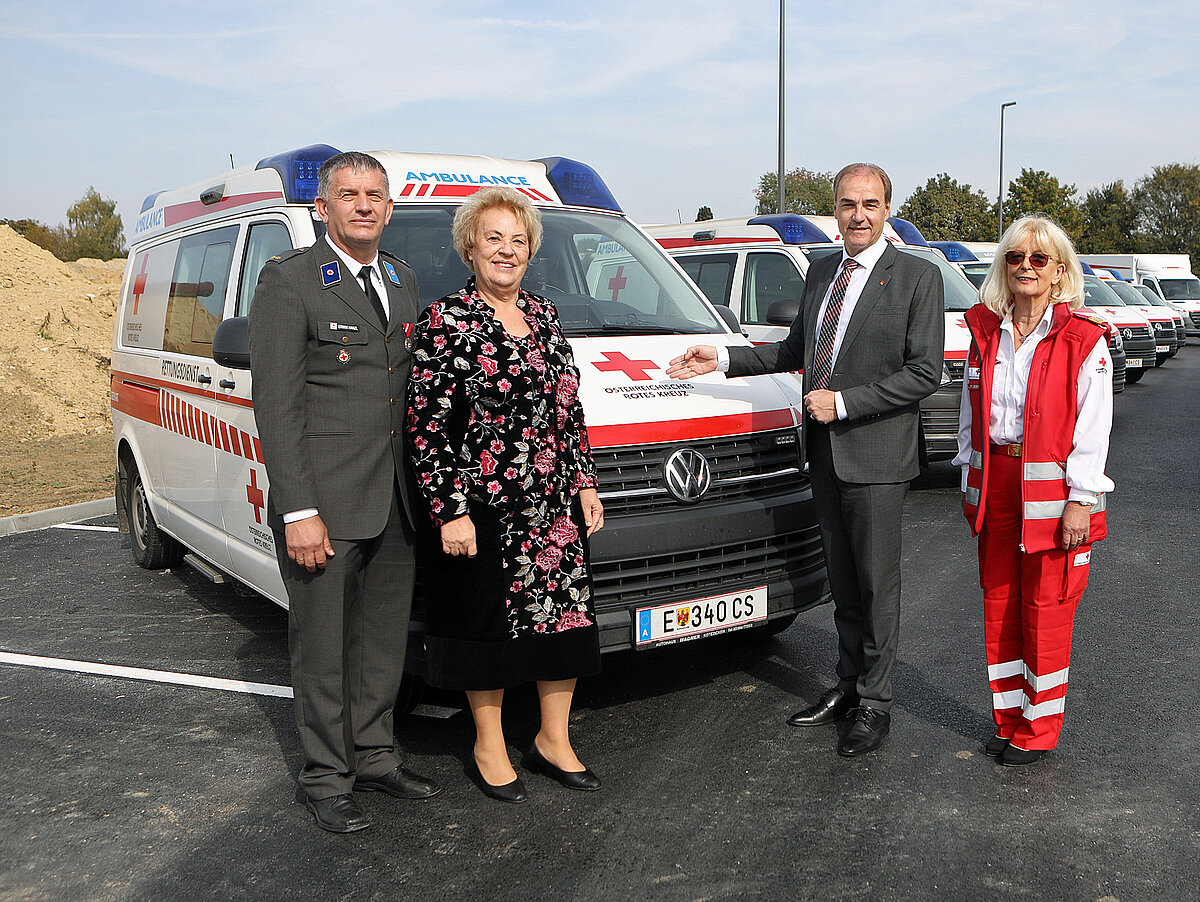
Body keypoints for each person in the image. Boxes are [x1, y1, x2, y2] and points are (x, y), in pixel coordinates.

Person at [667, 163, 944, 757]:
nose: (858, 215)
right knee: (843, 582)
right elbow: (795, 350)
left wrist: (843, 403)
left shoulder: (917, 275)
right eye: (848, 204)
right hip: (821, 454)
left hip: (876, 457)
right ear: (835, 209)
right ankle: (847, 685)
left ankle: (876, 702)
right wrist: (721, 359)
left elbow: (925, 372)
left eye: (870, 204)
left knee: (876, 585)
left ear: (887, 209)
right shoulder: (822, 270)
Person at [249, 151, 440, 833]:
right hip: (324, 503)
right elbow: (277, 406)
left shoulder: (402, 279)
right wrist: (299, 509)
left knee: (382, 642)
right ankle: (326, 777)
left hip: (395, 500)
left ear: (389, 208)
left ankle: (375, 754)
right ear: (322, 207)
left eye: (375, 195)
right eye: (349, 194)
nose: (364, 205)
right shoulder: (291, 281)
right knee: (324, 647)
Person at [406, 187, 605, 802]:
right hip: (481, 504)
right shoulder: (446, 320)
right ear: (470, 247)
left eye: (518, 240)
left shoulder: (544, 315)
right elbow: (427, 426)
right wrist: (449, 511)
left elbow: (568, 408)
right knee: (483, 625)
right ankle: (489, 745)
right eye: (494, 238)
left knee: (565, 619)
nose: (507, 250)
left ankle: (553, 740)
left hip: (552, 503)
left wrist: (585, 482)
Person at [953, 215, 1113, 767]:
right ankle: (1009, 720)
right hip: (996, 487)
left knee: (1046, 612)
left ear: (1059, 271)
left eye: (1039, 258)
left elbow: (1094, 426)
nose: (1026, 266)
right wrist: (968, 478)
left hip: (1055, 498)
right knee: (999, 606)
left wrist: (1081, 499)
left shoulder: (1083, 339)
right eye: (1016, 257)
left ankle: (1039, 728)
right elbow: (970, 413)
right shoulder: (984, 332)